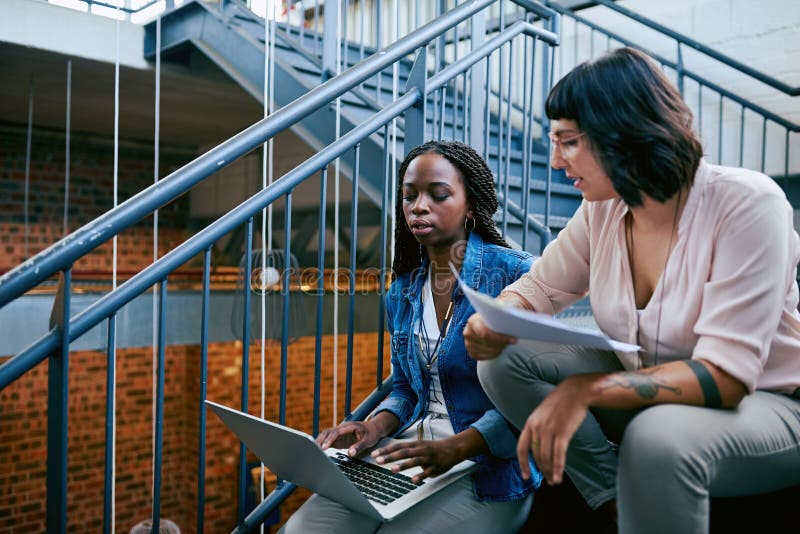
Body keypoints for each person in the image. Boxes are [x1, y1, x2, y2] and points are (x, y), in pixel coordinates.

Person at [464, 47, 800, 534]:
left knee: (657, 436)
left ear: (622, 133)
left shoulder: (748, 203)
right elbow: (539, 286)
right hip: (648, 381)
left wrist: (587, 389)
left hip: (769, 403)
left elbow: (726, 380)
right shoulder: (604, 208)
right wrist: (497, 316)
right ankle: (608, 496)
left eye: (569, 142)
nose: (555, 161)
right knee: (503, 361)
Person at [281, 140, 540, 533]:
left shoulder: (518, 277)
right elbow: (404, 387)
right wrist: (375, 427)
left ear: (471, 205)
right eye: (408, 196)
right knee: (303, 529)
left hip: (485, 465)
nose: (418, 206)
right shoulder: (403, 289)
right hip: (407, 451)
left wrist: (456, 447)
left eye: (438, 195)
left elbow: (536, 400)